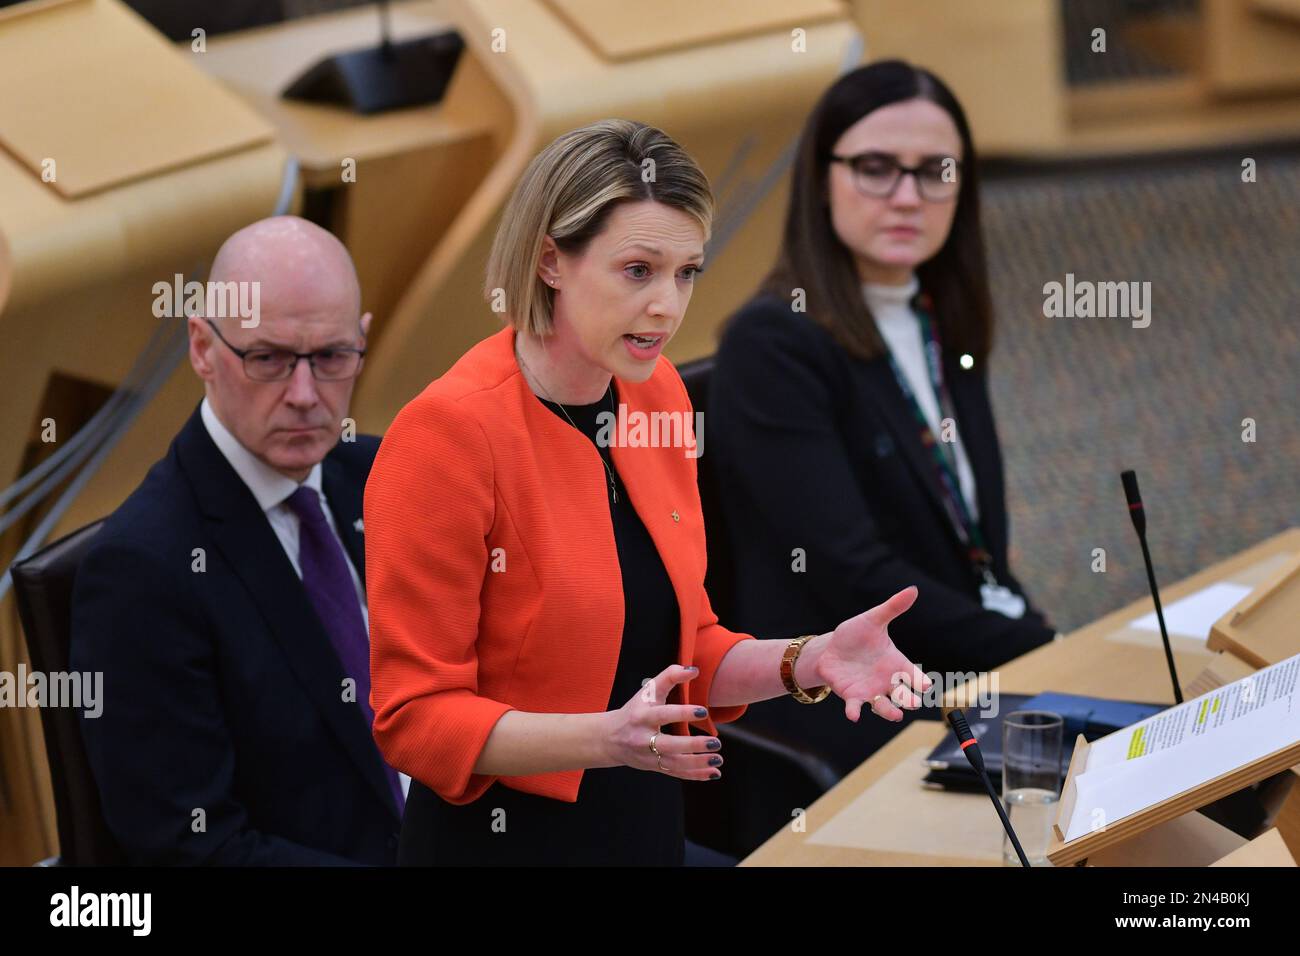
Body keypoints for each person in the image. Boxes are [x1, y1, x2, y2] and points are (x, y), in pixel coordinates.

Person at [364, 119, 933, 866]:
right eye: (638, 270)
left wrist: (811, 659)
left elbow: (685, 645)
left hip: (646, 830)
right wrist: (604, 738)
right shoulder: (446, 436)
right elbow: (413, 718)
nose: (668, 305)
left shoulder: (657, 397)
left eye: (687, 272)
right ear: (549, 262)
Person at [709, 61, 1058, 777]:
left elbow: (970, 546)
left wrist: (1037, 638)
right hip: (851, 697)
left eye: (935, 171)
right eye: (875, 168)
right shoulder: (773, 344)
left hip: (962, 668)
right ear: (820, 180)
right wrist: (1042, 648)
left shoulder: (941, 320)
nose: (907, 196)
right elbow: (853, 575)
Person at [71, 216, 404, 865]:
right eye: (269, 359)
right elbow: (194, 848)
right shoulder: (143, 569)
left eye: (333, 357)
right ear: (201, 347)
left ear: (362, 343)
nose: (306, 396)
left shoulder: (386, 477)